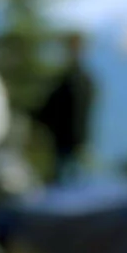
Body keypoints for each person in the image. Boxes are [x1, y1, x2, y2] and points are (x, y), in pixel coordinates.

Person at [32, 32, 95, 183]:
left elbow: (52, 109)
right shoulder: (86, 80)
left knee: (64, 184)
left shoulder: (68, 80)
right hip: (78, 142)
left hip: (66, 143)